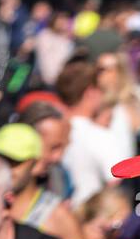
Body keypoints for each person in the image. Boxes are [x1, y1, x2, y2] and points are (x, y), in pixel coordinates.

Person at [0, 122, 101, 239]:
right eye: (0, 160)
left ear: (36, 165)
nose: (5, 169)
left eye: (15, 162)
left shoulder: (56, 216)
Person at [57, 57, 133, 208]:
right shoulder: (100, 137)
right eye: (100, 89)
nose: (102, 94)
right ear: (90, 92)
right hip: (89, 221)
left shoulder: (51, 131)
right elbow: (119, 186)